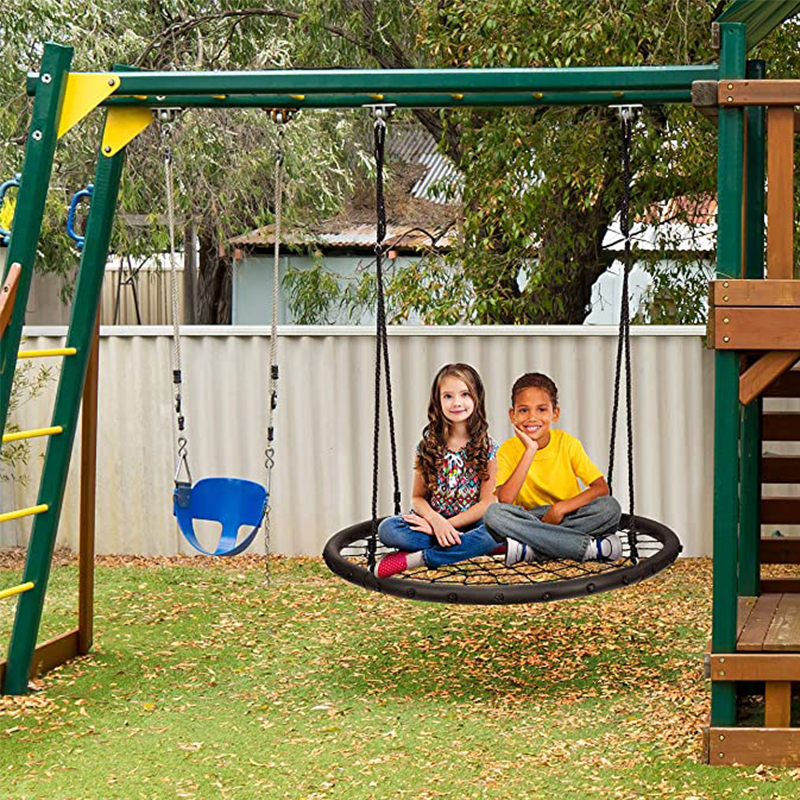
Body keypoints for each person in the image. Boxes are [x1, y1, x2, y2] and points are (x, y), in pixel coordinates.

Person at [373, 363, 500, 578]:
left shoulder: (489, 448)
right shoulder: (427, 446)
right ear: (437, 402)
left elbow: (487, 503)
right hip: (432, 519)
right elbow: (417, 498)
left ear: (477, 398)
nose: (456, 403)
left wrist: (445, 526)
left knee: (493, 531)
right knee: (388, 530)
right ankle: (465, 547)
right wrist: (435, 521)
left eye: (465, 394)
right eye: (448, 396)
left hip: (469, 523)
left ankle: (421, 557)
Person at [484, 372, 623, 566]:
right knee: (494, 515)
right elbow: (505, 499)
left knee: (610, 508)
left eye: (541, 409)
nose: (532, 417)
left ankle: (532, 548)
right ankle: (585, 548)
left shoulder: (566, 443)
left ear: (554, 413)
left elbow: (601, 488)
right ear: (512, 415)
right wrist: (529, 451)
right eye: (523, 410)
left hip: (568, 514)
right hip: (529, 518)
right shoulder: (508, 450)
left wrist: (560, 508)